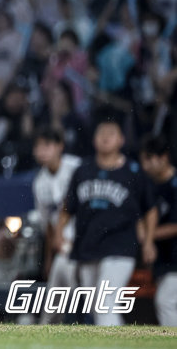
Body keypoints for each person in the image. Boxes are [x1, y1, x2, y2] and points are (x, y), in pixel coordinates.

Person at [56, 120, 157, 326]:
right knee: (96, 306)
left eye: (111, 133)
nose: (105, 137)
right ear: (94, 140)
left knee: (106, 303)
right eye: (101, 133)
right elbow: (68, 207)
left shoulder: (133, 171)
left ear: (121, 139)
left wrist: (148, 242)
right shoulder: (83, 170)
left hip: (120, 246)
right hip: (88, 246)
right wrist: (59, 233)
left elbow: (150, 210)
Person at [32, 128, 81, 324]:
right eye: (38, 146)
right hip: (62, 247)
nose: (42, 151)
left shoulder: (77, 167)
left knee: (73, 296)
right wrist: (48, 258)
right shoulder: (39, 182)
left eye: (47, 145)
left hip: (82, 243)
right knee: (55, 301)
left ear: (60, 146)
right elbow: (48, 225)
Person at [139, 136, 177, 326]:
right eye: (143, 159)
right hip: (164, 258)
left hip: (174, 258)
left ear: (163, 158)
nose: (145, 165)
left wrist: (147, 237)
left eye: (149, 158)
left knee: (166, 301)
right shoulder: (149, 185)